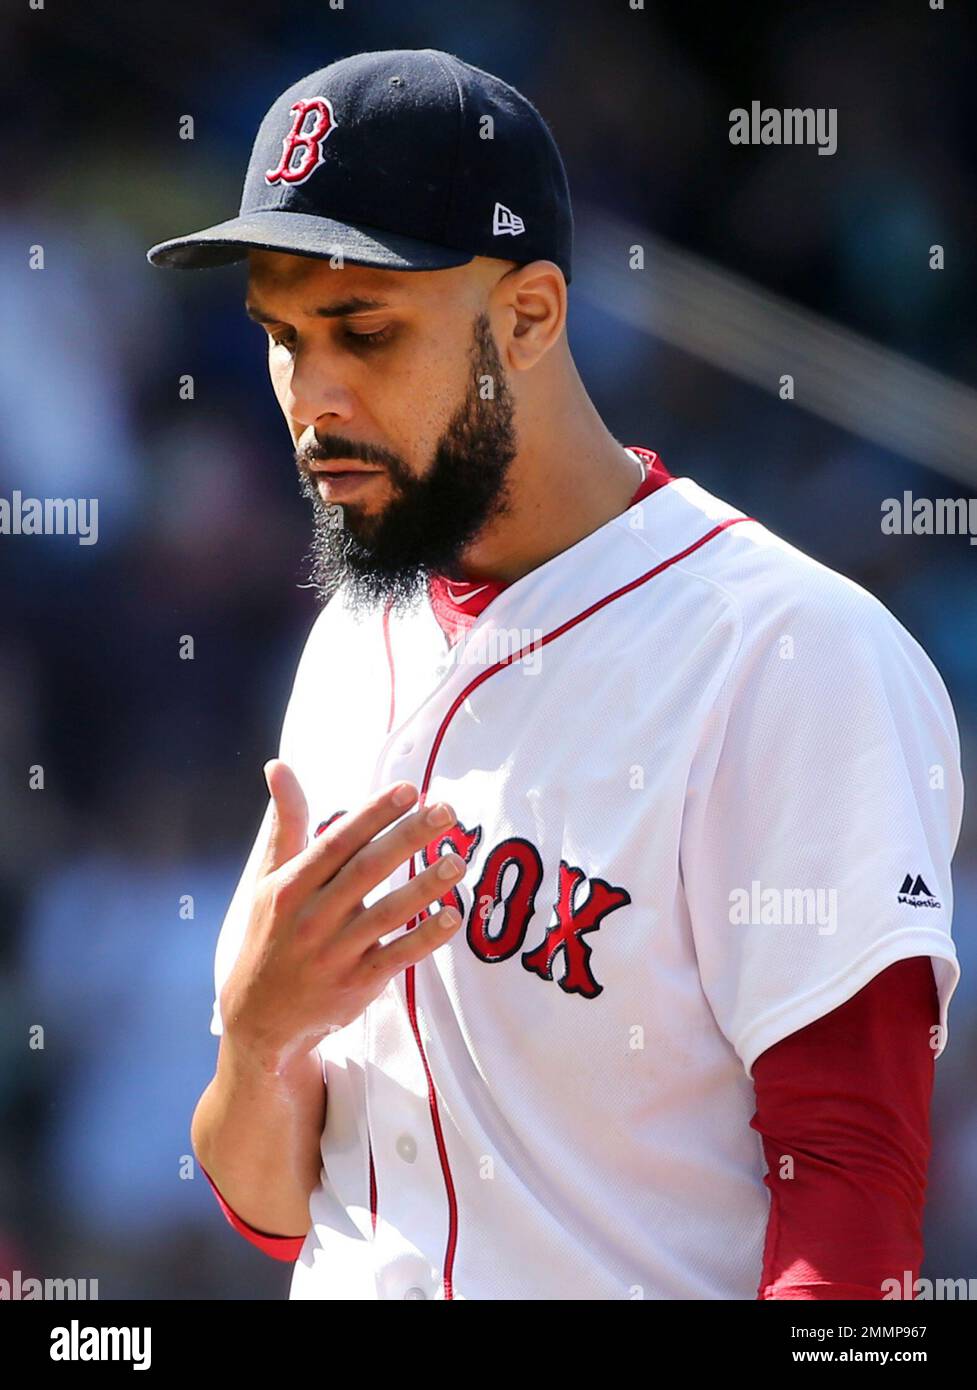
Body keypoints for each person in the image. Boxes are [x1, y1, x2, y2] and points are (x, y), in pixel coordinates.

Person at [148, 48, 963, 1300]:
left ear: (527, 315)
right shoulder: (346, 636)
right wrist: (260, 1040)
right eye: (280, 337)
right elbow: (273, 1212)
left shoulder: (789, 652)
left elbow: (849, 1197)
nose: (311, 397)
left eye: (363, 330)